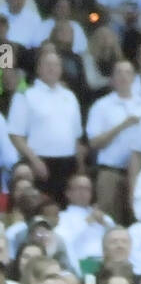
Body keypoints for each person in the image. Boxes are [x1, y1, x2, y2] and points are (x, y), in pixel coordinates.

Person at [7, 47, 83, 203]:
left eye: (56, 65)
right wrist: (34, 160)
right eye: (47, 64)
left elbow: (76, 137)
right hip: (40, 163)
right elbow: (15, 134)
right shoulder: (26, 95)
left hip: (68, 164)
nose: (52, 68)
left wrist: (79, 166)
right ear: (38, 69)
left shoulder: (70, 97)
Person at [85, 60, 141, 224]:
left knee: (138, 218)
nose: (123, 77)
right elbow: (94, 143)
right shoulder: (101, 106)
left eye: (128, 72)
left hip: (140, 174)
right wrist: (123, 125)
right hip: (110, 172)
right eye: (119, 72)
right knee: (108, 219)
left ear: (134, 78)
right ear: (112, 79)